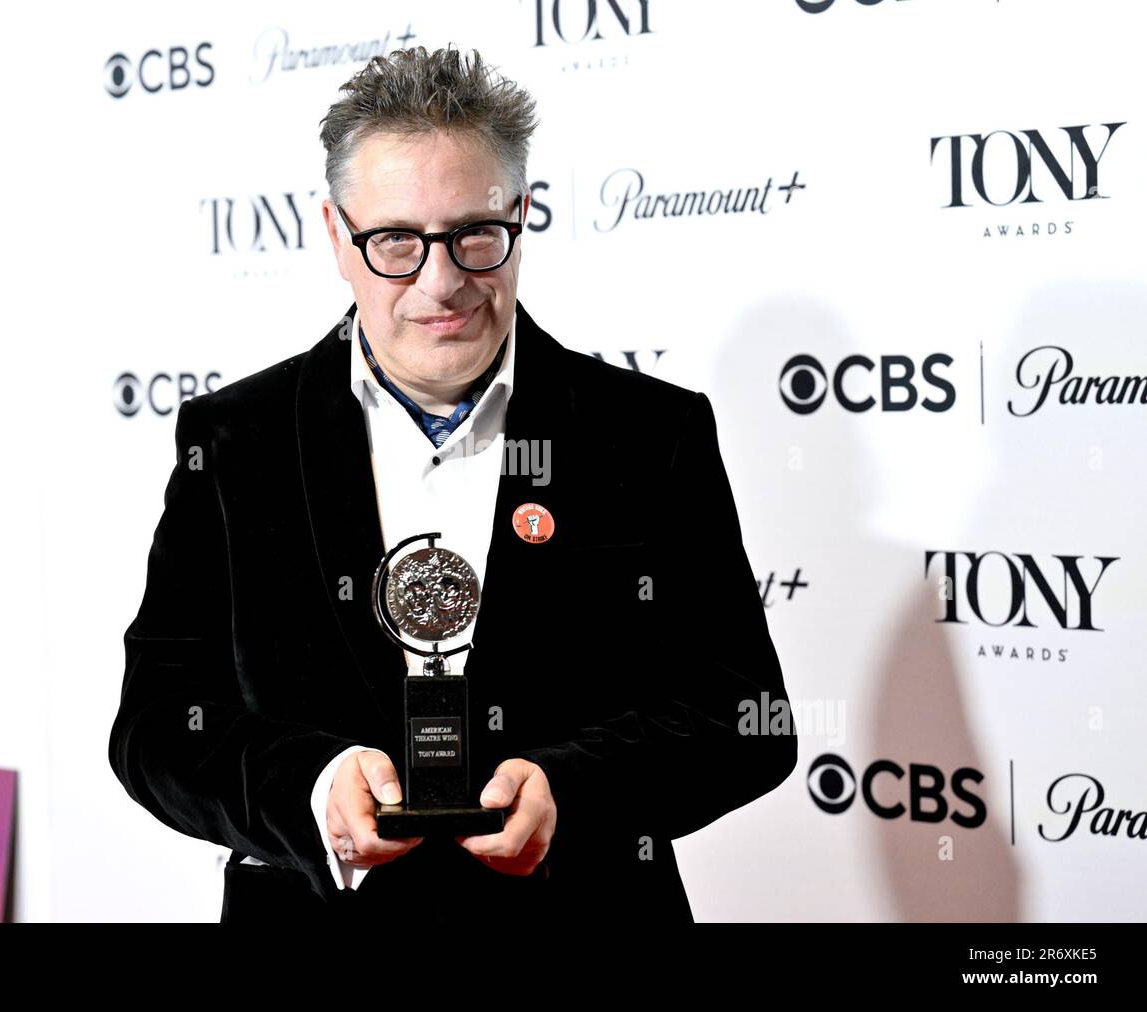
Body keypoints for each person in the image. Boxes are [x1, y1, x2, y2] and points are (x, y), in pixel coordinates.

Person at [108, 44, 796, 924]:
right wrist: (312, 792)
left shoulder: (648, 434)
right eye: (396, 240)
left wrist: (571, 791)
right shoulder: (236, 442)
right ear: (335, 234)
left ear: (521, 214)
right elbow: (158, 726)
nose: (441, 283)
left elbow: (744, 717)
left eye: (475, 233)